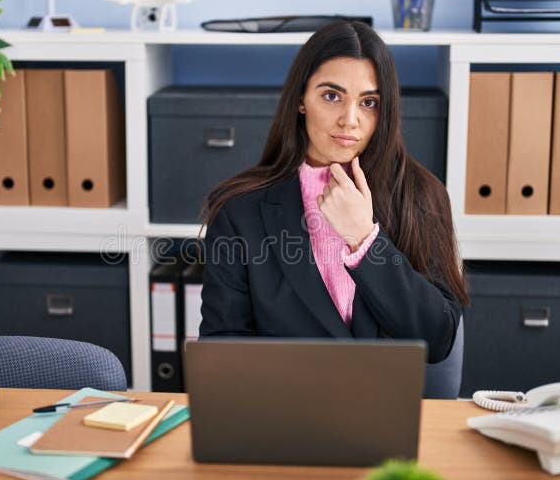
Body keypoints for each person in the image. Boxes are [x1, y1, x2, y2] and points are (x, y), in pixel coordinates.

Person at [198, 21, 468, 364]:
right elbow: (223, 351)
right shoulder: (239, 210)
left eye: (369, 102)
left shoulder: (421, 195)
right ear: (301, 100)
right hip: (280, 407)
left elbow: (438, 338)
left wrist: (364, 240)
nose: (349, 119)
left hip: (383, 408)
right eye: (331, 96)